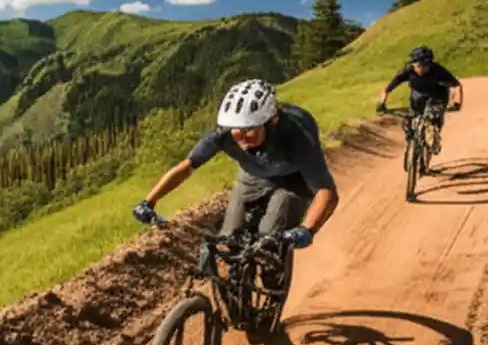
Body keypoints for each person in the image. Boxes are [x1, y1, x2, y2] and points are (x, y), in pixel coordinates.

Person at [131, 79, 340, 283]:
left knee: (270, 237)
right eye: (237, 130)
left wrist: (307, 229)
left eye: (251, 130)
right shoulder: (224, 133)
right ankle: (235, 294)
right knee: (225, 242)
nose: (242, 137)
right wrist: (149, 202)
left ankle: (274, 280)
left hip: (293, 182)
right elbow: (186, 167)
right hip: (251, 177)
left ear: (271, 122)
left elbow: (326, 192)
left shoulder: (295, 134)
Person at [377, 46, 463, 154]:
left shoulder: (438, 70)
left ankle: (433, 140)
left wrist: (456, 102)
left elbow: (456, 85)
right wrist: (382, 103)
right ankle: (411, 142)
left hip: (437, 97)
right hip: (417, 98)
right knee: (409, 122)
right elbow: (388, 88)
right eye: (419, 66)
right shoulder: (407, 70)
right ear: (413, 64)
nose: (422, 69)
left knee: (433, 120)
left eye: (426, 65)